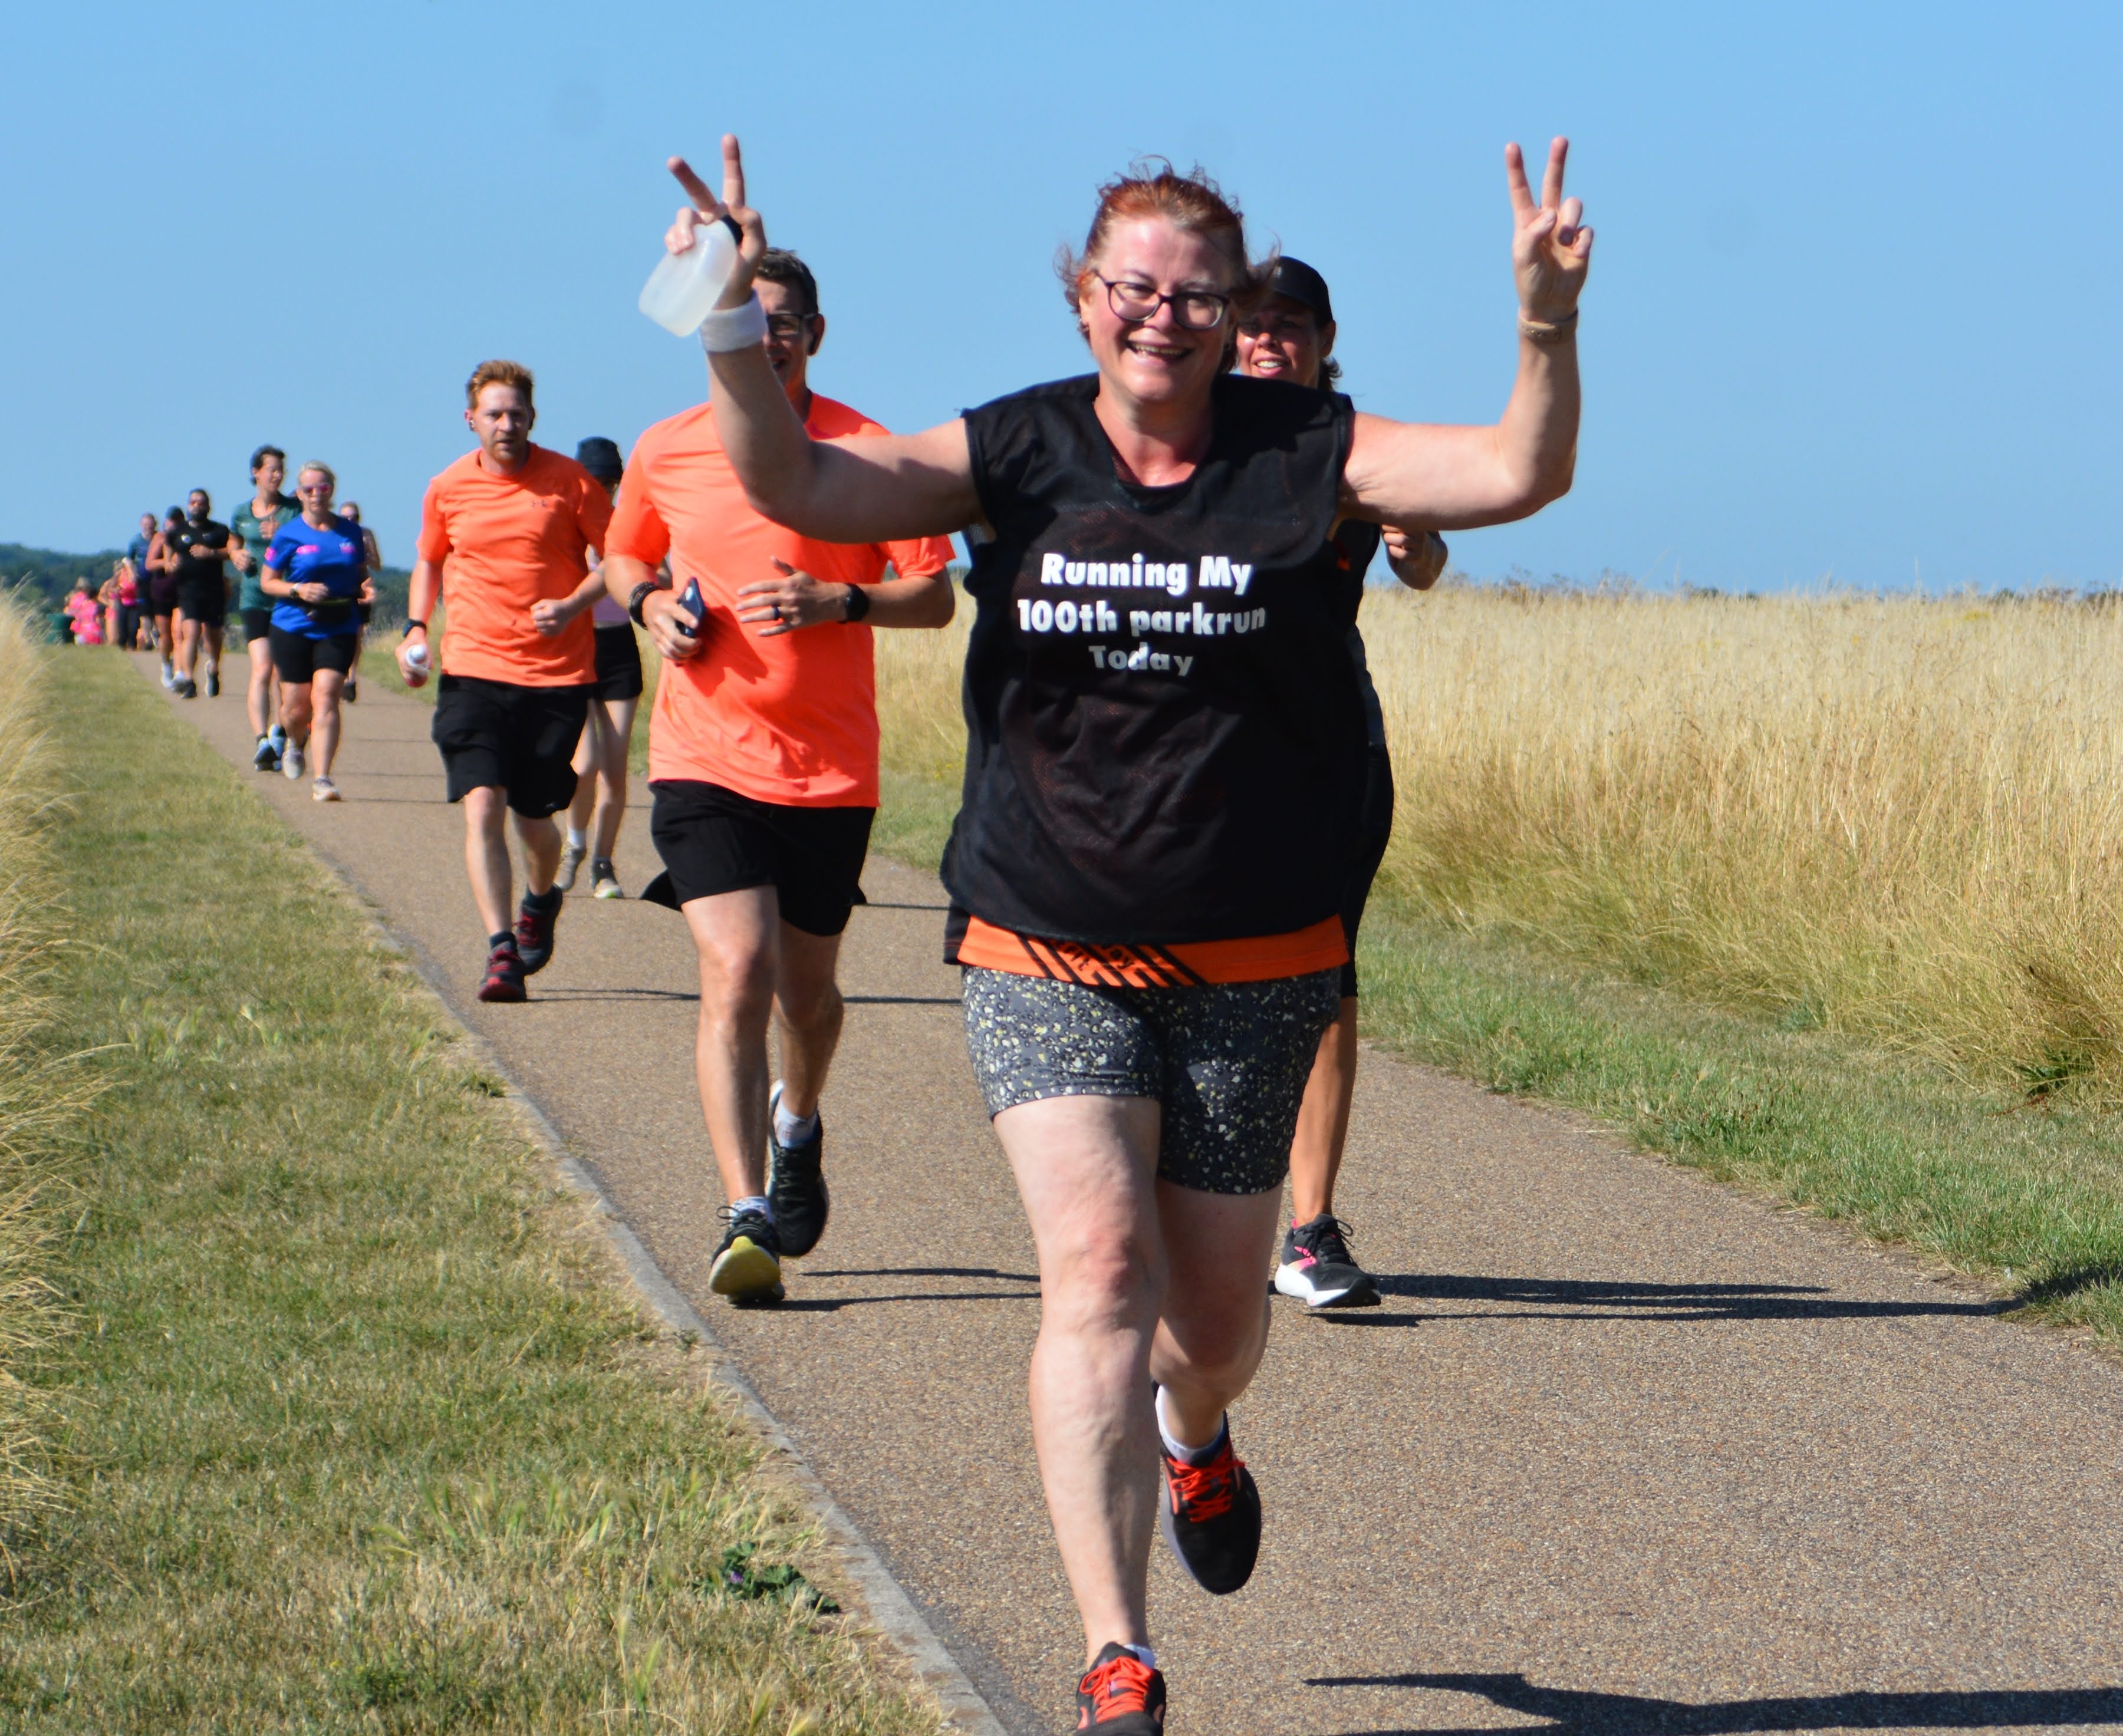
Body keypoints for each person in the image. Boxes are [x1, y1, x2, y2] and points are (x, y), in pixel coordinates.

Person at [663, 134, 1589, 1731]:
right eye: (1133, 288)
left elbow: (1517, 472)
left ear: (1236, 309)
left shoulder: (1307, 447)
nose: (1164, 315)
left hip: (1255, 953)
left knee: (1209, 1328)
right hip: (1045, 933)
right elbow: (799, 485)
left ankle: (1194, 1436)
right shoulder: (1017, 447)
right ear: (1083, 298)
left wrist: (1544, 322)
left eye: (1197, 293)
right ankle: (1117, 1654)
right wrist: (731, 317)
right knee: (1096, 1268)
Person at [601, 246, 957, 1309]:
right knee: (738, 967)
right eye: (749, 324)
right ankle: (744, 1210)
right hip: (702, 757)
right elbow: (625, 556)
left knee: (808, 998)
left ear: (816, 334)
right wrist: (650, 605)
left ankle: (796, 1124)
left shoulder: (870, 451)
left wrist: (841, 603)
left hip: (829, 772)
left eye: (787, 324)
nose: (769, 341)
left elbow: (935, 596)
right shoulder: (667, 445)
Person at [1233, 258, 1446, 1310]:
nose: (1269, 339)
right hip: (1195, 752)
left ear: (1325, 340)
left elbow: (1423, 563)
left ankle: (1309, 1232)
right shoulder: (1185, 436)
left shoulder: (1361, 446)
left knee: (1324, 979)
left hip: (1327, 748)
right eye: (1253, 323)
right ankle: (1190, 1210)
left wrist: (1415, 537)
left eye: (1290, 325)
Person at [397, 360, 613, 1003]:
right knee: (483, 801)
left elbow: (620, 561)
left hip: (555, 674)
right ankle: (500, 950)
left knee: (534, 818)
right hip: (473, 670)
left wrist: (572, 606)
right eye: (494, 414)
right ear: (472, 419)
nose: (506, 424)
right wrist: (415, 628)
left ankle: (540, 900)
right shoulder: (447, 487)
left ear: (532, 418)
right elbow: (429, 561)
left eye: (517, 413)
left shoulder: (571, 483)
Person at [557, 436, 638, 901]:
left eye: (610, 481)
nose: (602, 488)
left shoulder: (628, 525)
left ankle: (603, 863)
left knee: (614, 768)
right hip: (577, 648)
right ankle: (574, 845)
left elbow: (657, 571)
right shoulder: (566, 521)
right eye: (594, 479)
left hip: (619, 649)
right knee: (583, 763)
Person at [259, 463, 366, 801]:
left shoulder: (351, 532)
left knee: (326, 696)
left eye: (323, 488)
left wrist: (366, 590)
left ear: (332, 490)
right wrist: (298, 590)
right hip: (293, 625)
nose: (317, 495)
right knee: (295, 708)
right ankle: (295, 742)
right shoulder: (288, 534)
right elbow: (268, 582)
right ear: (299, 494)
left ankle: (322, 778)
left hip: (339, 625)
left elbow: (361, 575)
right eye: (309, 489)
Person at [229, 446, 299, 770]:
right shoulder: (241, 513)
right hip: (254, 599)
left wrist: (281, 534)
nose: (278, 475)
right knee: (262, 668)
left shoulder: (294, 510)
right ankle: (262, 741)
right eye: (272, 469)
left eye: (281, 469)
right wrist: (235, 555)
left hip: (286, 599)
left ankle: (280, 732)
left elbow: (310, 544)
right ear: (256, 472)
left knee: (283, 673)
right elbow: (233, 541)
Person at [170, 488, 233, 699]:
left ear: (208, 506)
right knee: (192, 632)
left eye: (201, 503)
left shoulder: (219, 531)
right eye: (193, 502)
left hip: (213, 589)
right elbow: (166, 551)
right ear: (188, 505)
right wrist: (170, 563)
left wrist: (211, 553)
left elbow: (232, 551)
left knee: (213, 636)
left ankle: (213, 667)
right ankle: (189, 680)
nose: (197, 506)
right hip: (188, 590)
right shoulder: (178, 531)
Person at [338, 501, 383, 702]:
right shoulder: (335, 534)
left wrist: (364, 554)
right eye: (345, 518)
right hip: (342, 588)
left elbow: (378, 564)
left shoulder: (366, 535)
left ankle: (351, 677)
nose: (350, 521)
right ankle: (339, 674)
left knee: (357, 634)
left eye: (354, 517)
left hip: (361, 588)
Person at [147, 507, 184, 683]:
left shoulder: (186, 537)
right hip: (162, 591)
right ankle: (166, 664)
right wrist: (167, 562)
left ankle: (180, 671)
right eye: (171, 521)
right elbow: (149, 564)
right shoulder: (160, 538)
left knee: (179, 633)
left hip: (182, 591)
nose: (174, 524)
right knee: (166, 634)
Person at [64, 577, 105, 644]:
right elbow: (98, 619)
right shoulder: (89, 601)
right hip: (92, 631)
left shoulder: (74, 598)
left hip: (77, 627)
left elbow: (69, 612)